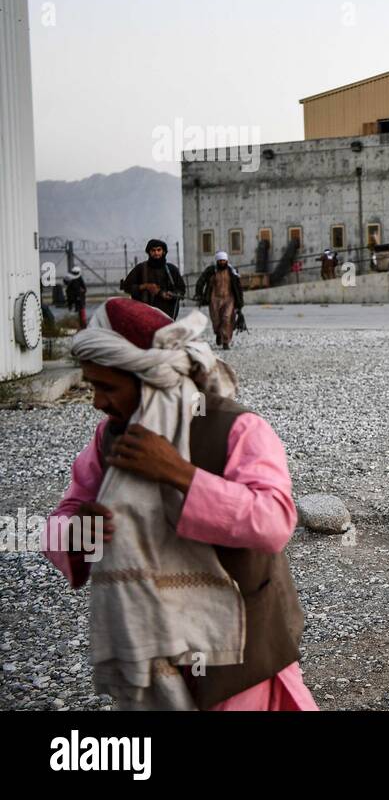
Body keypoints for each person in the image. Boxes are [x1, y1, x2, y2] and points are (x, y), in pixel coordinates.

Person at [41, 298, 316, 710]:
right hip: (149, 650)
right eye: (91, 386)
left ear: (150, 381)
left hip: (240, 657)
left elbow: (274, 521)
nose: (98, 401)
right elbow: (62, 519)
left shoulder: (236, 428)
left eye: (108, 387)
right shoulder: (108, 441)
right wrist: (78, 532)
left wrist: (180, 474)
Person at [120, 239, 186, 320]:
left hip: (167, 315)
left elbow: (181, 290)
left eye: (159, 250)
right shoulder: (141, 268)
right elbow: (127, 287)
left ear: (164, 252)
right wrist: (144, 286)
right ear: (149, 252)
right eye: (153, 250)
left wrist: (172, 295)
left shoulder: (171, 269)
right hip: (144, 313)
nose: (156, 253)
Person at [195, 251, 244, 350]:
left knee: (226, 318)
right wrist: (199, 293)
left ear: (226, 261)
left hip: (229, 299)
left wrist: (240, 301)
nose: (222, 262)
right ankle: (218, 333)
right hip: (214, 299)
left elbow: (238, 287)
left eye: (224, 260)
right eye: (220, 260)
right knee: (216, 320)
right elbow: (201, 281)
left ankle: (226, 341)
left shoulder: (232, 272)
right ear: (217, 261)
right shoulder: (211, 271)